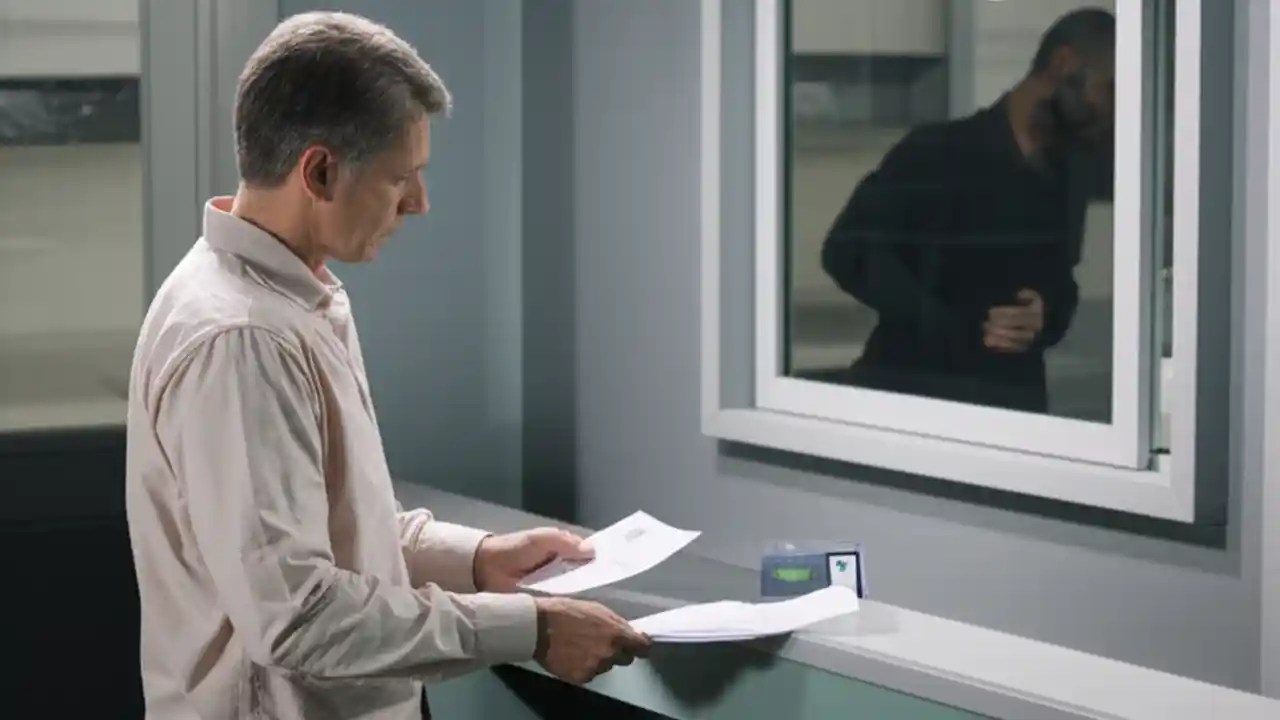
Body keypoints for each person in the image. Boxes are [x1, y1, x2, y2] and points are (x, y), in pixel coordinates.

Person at [124, 12, 648, 719]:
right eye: (401, 177)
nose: (420, 202)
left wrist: (479, 558)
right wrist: (530, 628)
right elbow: (299, 615)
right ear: (319, 170)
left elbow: (339, 532)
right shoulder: (244, 339)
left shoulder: (294, 302)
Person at [819, 8, 1116, 414]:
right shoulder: (936, 151)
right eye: (1110, 89)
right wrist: (962, 326)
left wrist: (1044, 314)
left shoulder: (1067, 175)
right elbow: (846, 252)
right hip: (911, 406)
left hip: (1014, 413)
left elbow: (1062, 284)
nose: (1115, 109)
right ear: (1064, 64)